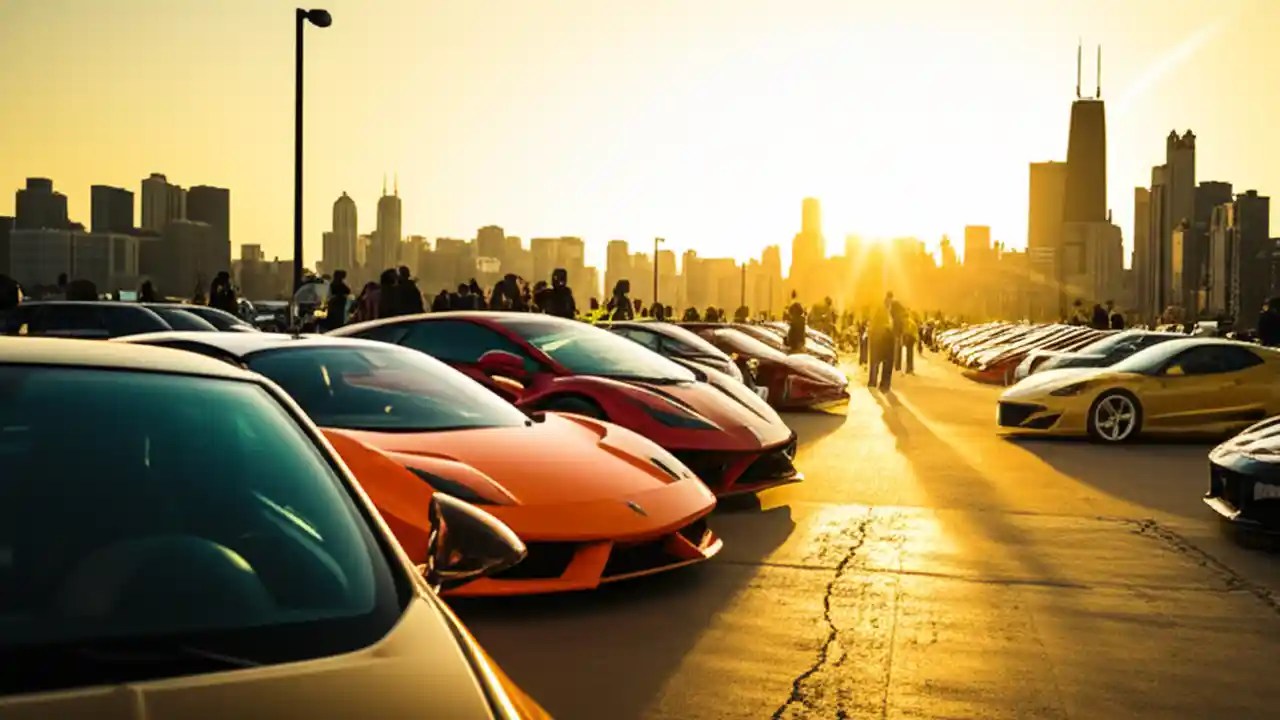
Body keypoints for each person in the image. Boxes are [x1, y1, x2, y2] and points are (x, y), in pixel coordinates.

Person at [867, 301, 894, 391]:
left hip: (876, 347)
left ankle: (872, 382)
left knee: (874, 363)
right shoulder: (888, 327)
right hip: (886, 347)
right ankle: (884, 384)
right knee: (886, 364)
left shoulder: (873, 327)